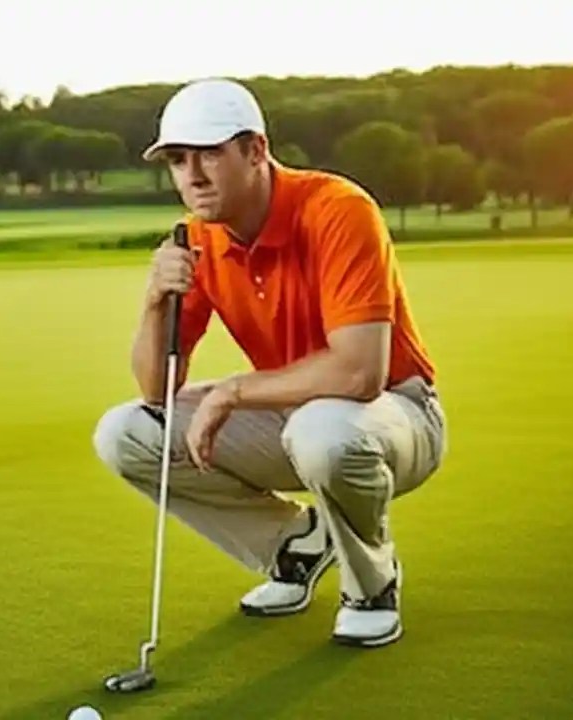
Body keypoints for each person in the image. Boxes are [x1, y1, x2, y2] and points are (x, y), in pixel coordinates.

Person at [92, 78, 448, 648]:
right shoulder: (198, 239)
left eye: (209, 153)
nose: (194, 175)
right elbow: (156, 389)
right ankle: (295, 545)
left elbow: (360, 373)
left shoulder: (338, 210)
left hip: (396, 415)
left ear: (256, 150)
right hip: (295, 416)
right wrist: (155, 302)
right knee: (126, 432)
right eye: (179, 160)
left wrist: (232, 391)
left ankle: (371, 584)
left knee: (323, 428)